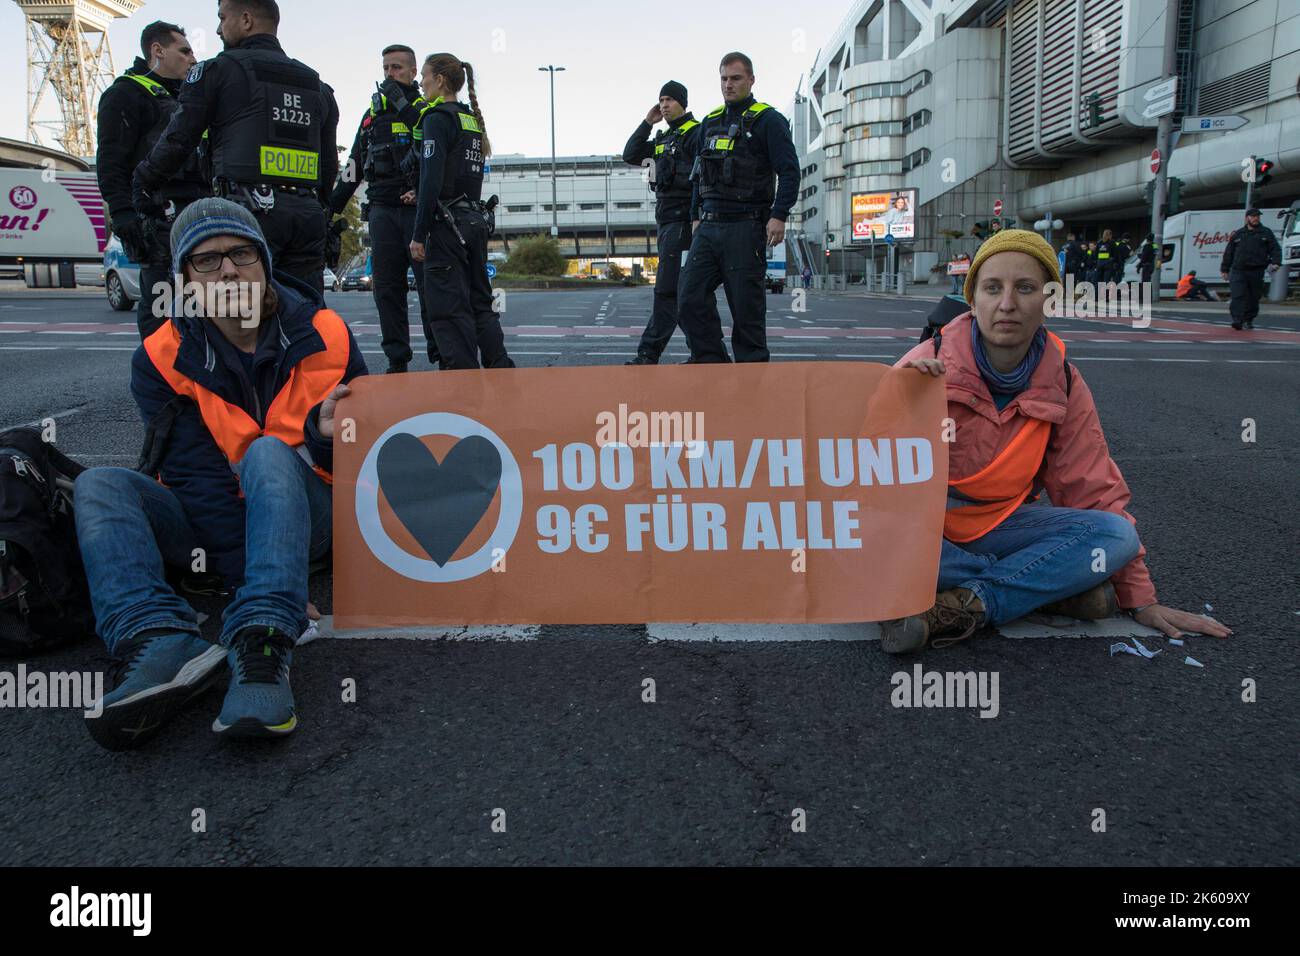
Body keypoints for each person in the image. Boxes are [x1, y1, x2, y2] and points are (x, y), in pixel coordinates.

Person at [74, 198, 367, 749]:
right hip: (215, 526)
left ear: (264, 263)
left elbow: (370, 462)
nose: (228, 268)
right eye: (206, 261)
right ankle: (157, 636)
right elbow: (195, 481)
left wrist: (327, 440)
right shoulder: (160, 356)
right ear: (185, 280)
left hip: (312, 520)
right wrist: (242, 577)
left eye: (240, 253)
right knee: (100, 485)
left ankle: (263, 638)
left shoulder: (328, 333)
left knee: (266, 453)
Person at [884, 229, 1230, 653]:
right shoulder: (924, 366)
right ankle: (1051, 586)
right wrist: (902, 405)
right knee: (869, 547)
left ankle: (970, 602)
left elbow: (1093, 488)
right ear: (973, 300)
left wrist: (1141, 599)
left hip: (997, 527)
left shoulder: (1063, 380)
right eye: (992, 288)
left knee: (1115, 536)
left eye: (1025, 288)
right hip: (922, 529)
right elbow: (862, 476)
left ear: (1049, 300)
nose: (1007, 303)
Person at [133, 0, 339, 296]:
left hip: (246, 211)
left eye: (222, 18)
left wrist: (141, 185)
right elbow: (329, 164)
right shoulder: (316, 84)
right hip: (307, 215)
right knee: (306, 315)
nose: (218, 28)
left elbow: (179, 140)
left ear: (245, 20)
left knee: (242, 316)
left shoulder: (218, 70)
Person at [675, 52, 800, 363]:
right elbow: (698, 175)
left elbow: (789, 171)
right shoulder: (710, 122)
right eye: (724, 79)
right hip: (709, 226)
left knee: (747, 313)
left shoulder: (769, 120)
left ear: (751, 80)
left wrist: (779, 215)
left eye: (735, 78)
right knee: (688, 298)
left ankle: (751, 378)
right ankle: (711, 362)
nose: (728, 85)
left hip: (747, 228)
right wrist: (694, 217)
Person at [330, 44, 439, 374]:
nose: (390, 75)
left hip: (418, 213)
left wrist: (403, 102)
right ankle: (397, 358)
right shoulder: (372, 115)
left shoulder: (425, 108)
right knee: (387, 289)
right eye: (386, 69)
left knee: (430, 286)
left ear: (412, 71)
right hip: (382, 212)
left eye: (397, 68)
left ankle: (442, 355)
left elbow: (433, 146)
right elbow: (354, 167)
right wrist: (329, 207)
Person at [96, 21, 207, 339]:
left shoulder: (189, 99)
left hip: (197, 213)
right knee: (162, 303)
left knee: (201, 302)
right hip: (158, 214)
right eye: (184, 50)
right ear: (157, 51)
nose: (192, 58)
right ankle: (161, 380)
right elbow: (111, 162)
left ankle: (197, 376)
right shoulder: (125, 94)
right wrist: (122, 213)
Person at [408, 53, 514, 369]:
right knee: (481, 303)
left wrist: (418, 234)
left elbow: (431, 180)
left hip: (446, 226)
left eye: (424, 76)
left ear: (440, 80)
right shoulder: (469, 119)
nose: (421, 83)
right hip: (474, 221)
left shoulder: (436, 118)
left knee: (448, 311)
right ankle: (500, 372)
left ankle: (463, 390)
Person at [619, 81, 716, 365]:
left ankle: (648, 354)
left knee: (667, 292)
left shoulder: (696, 133)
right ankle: (708, 356)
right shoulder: (663, 140)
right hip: (666, 225)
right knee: (685, 294)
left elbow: (703, 178)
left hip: (684, 224)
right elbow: (631, 154)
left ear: (683, 103)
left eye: (669, 100)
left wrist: (696, 217)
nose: (664, 105)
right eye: (661, 100)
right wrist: (648, 122)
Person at [1220, 207, 1282, 330]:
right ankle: (1237, 320)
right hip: (1239, 270)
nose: (1255, 218)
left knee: (1253, 297)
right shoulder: (1239, 234)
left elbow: (1275, 249)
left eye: (1257, 216)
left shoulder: (1266, 232)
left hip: (1256, 270)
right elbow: (1229, 252)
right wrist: (1224, 269)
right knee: (1238, 295)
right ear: (1247, 218)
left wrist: (1276, 262)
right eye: (1253, 216)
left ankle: (1248, 319)